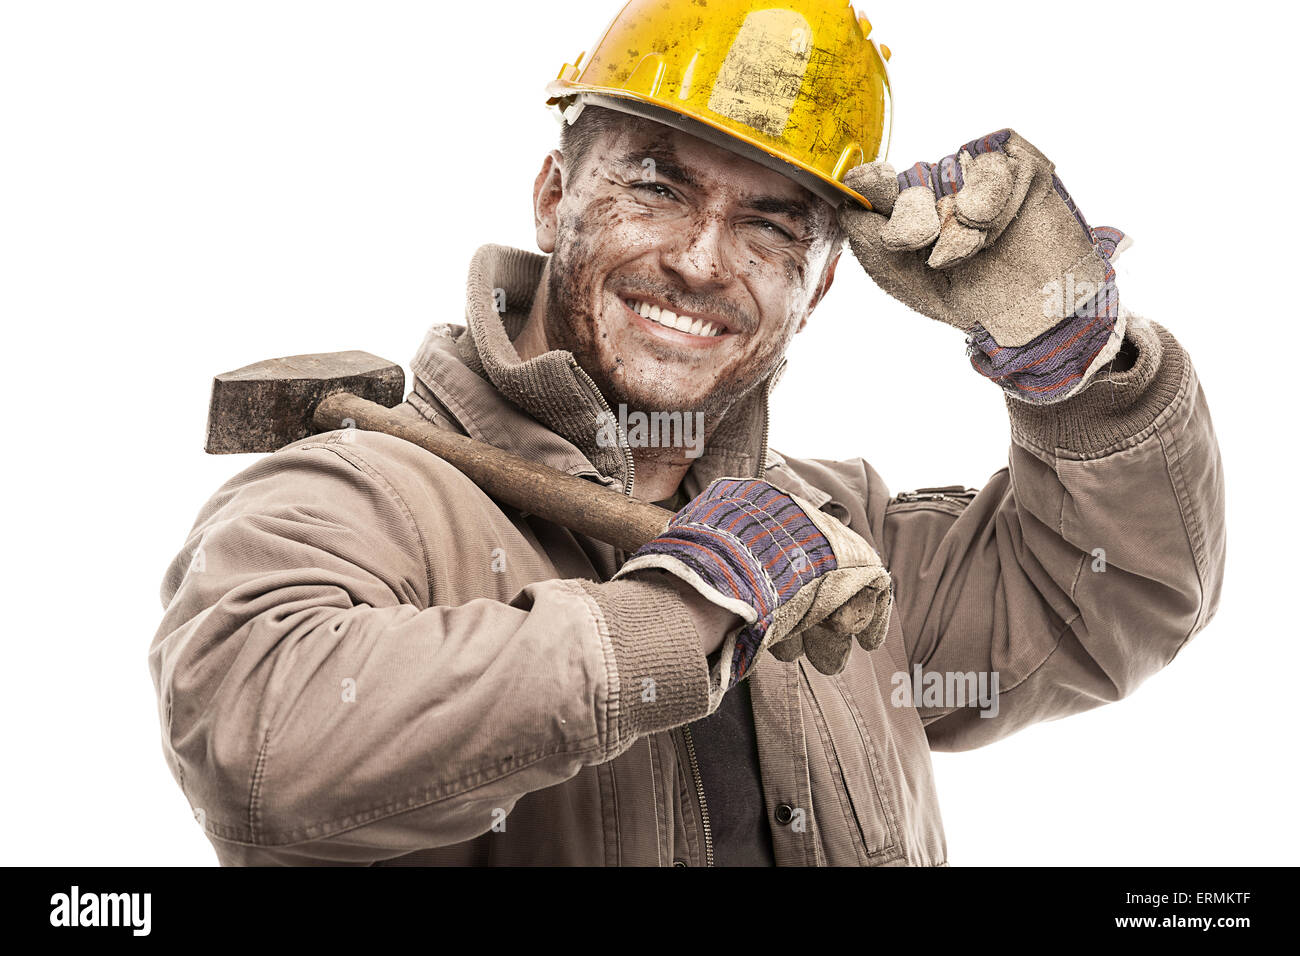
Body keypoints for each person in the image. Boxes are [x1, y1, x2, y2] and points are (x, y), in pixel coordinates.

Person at [149, 0, 1225, 866]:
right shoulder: (354, 498)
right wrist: (674, 613)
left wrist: (1073, 370)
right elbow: (261, 751)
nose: (703, 260)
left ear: (818, 290)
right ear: (552, 194)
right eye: (657, 185)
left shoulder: (837, 538)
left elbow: (1110, 603)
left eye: (769, 224)